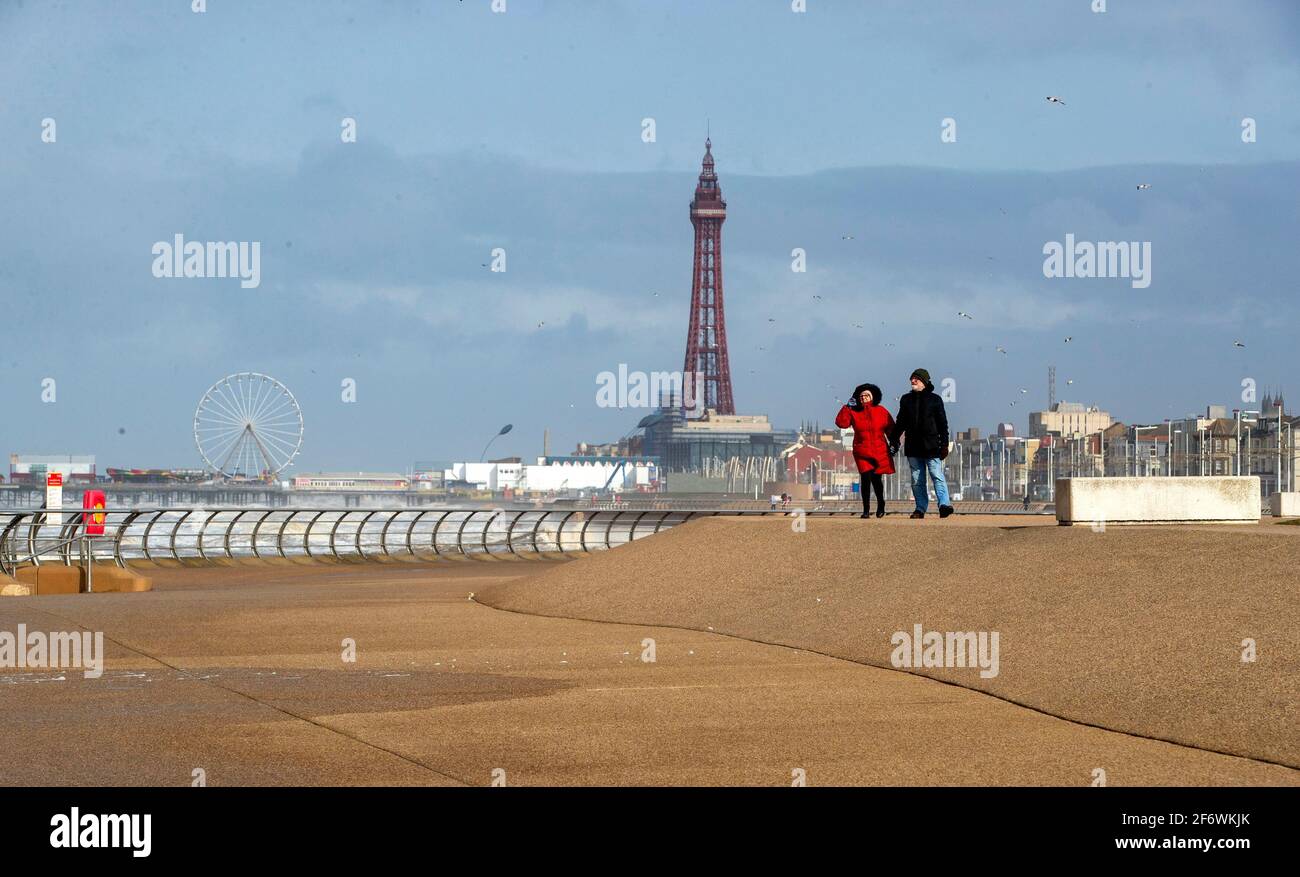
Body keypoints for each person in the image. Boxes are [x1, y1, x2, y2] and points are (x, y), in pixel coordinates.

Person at [889, 368, 953, 519]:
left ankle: (944, 505)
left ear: (924, 382)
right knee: (917, 480)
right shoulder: (906, 399)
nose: (913, 381)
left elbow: (943, 424)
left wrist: (944, 445)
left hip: (931, 446)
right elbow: (900, 422)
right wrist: (894, 438)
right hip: (912, 446)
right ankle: (920, 508)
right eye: (911, 379)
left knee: (936, 475)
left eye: (916, 379)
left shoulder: (935, 399)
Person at [835, 382, 896, 518]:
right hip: (862, 450)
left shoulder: (881, 411)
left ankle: (881, 505)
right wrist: (847, 406)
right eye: (861, 396)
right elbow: (841, 423)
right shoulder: (854, 411)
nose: (863, 398)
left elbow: (891, 428)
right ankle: (866, 510)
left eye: (866, 395)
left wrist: (894, 443)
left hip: (879, 450)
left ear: (873, 397)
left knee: (876, 480)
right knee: (865, 478)